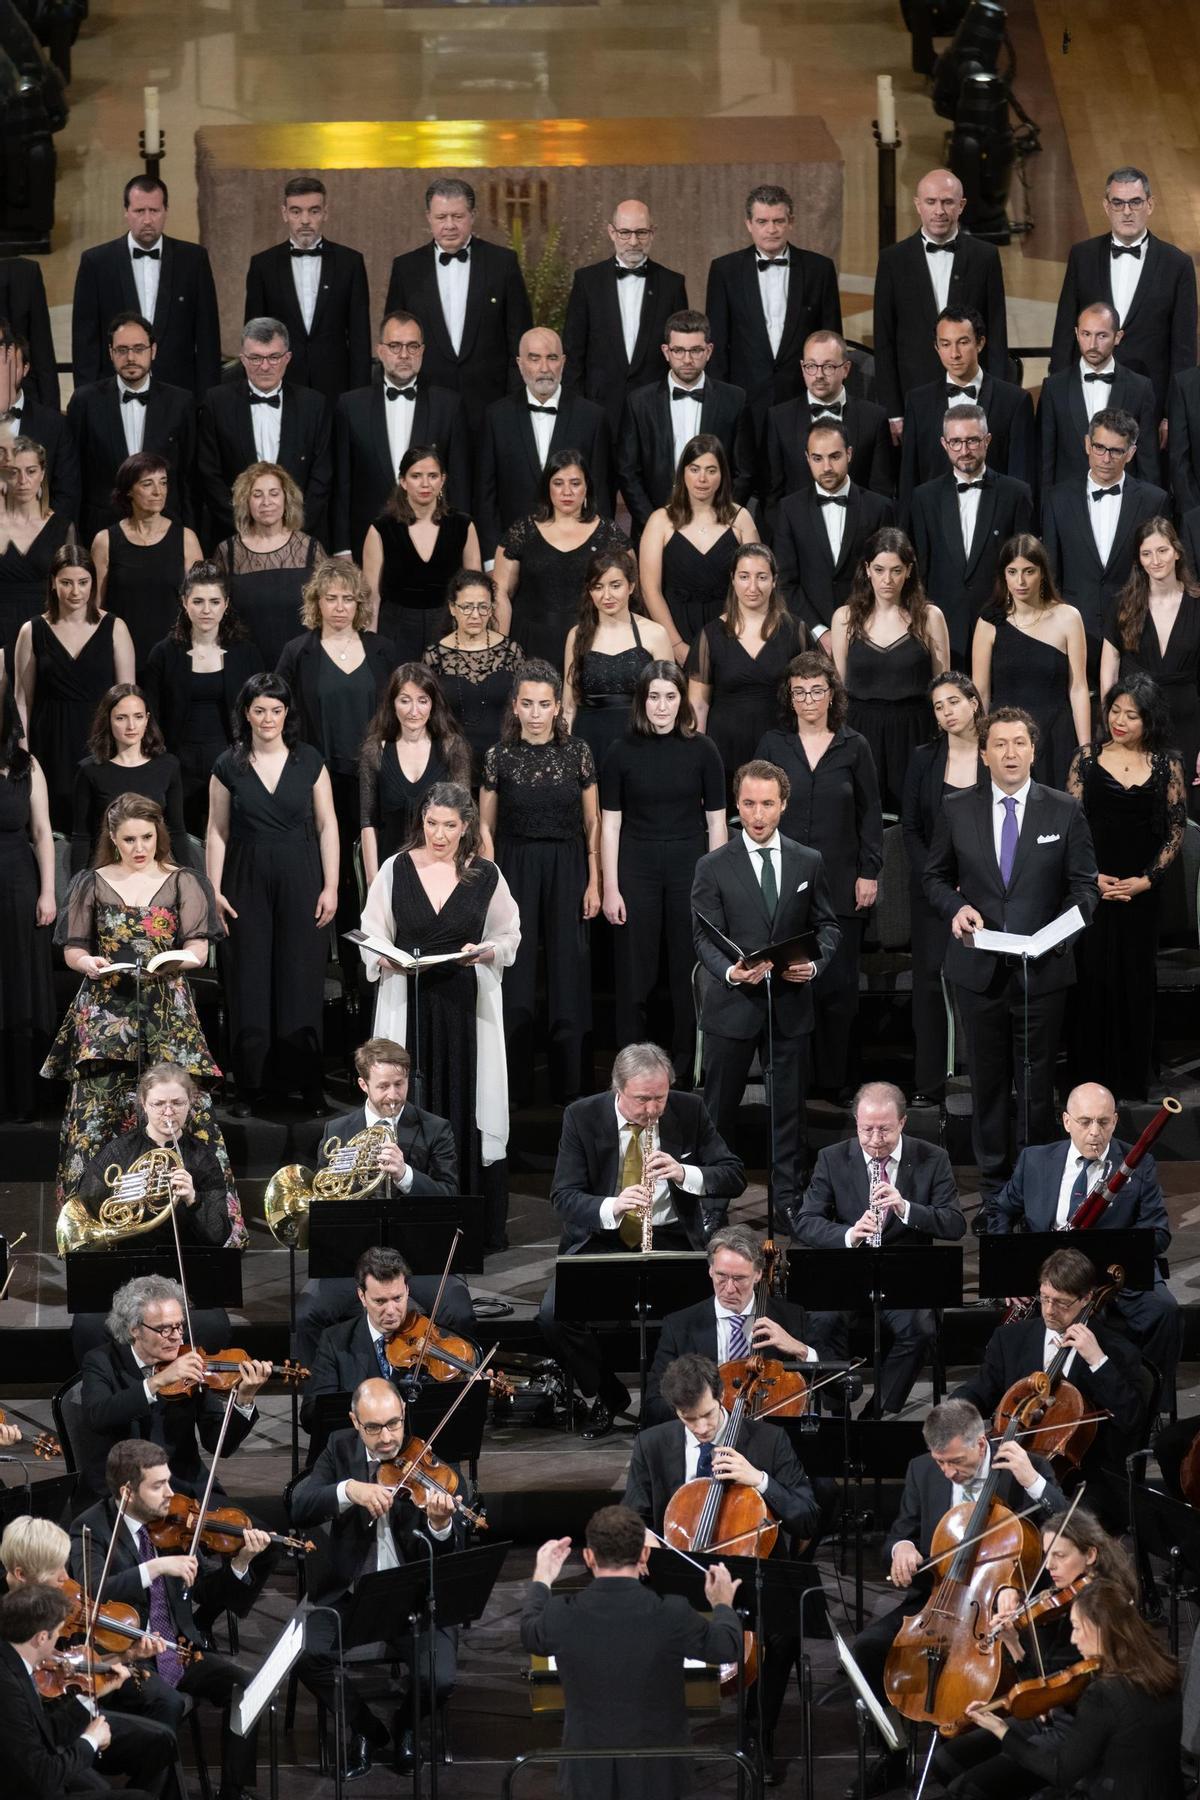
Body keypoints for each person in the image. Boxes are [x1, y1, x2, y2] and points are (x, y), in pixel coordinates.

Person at [846, 1398, 1067, 1798]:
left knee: (974, 1676)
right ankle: (893, 1755)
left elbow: (1068, 1526)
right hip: (935, 1600)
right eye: (940, 1462)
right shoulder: (921, 1470)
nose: (948, 1472)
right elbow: (901, 1531)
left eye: (956, 1462)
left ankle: (973, 1762)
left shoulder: (1023, 1467)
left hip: (998, 1608)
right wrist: (901, 1548)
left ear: (981, 1443)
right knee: (866, 1648)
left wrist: (1033, 1481)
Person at [923, 707, 1099, 1202]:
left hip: (1042, 973)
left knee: (1037, 1089)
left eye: (1019, 743)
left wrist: (1057, 935)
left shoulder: (1063, 809)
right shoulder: (957, 808)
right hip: (977, 973)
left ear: (1034, 750)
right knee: (988, 1088)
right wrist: (955, 907)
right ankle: (997, 1192)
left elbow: (1084, 889)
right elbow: (933, 877)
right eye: (999, 744)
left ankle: (1037, 1192)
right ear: (983, 754)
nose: (1010, 753)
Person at [623, 1352, 822, 1775]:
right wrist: (637, 1536)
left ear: (722, 1395)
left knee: (783, 1630)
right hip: (680, 1568)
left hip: (750, 1572)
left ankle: (758, 1729)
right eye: (688, 1419)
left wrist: (760, 1480)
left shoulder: (767, 1441)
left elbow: (807, 1515)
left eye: (708, 1416)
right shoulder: (652, 1444)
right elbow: (632, 1515)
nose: (700, 1427)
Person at [539, 1042, 746, 1435]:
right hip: (604, 1237)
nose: (652, 1110)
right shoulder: (582, 1117)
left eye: (659, 1098)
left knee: (707, 1305)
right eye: (642, 1100)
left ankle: (685, 1402)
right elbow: (563, 1197)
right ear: (618, 1089)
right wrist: (613, 1206)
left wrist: (686, 1174)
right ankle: (607, 1392)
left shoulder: (688, 1109)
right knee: (553, 1315)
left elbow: (733, 1174)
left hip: (671, 1235)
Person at [43, 792, 234, 1210]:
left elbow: (199, 950)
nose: (139, 848)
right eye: (129, 840)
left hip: (166, 1005)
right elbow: (72, 948)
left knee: (176, 1099)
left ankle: (194, 1212)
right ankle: (91, 1218)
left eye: (146, 837)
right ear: (113, 838)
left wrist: (176, 959)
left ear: (158, 833)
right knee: (98, 1109)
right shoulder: (91, 881)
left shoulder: (183, 879)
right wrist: (88, 963)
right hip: (108, 1006)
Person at [70, 1438, 271, 1800]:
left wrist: (239, 1565)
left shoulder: (171, 1524)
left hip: (178, 1648)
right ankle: (156, 1790)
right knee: (169, 1702)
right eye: (158, 1485)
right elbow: (93, 1590)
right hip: (127, 1656)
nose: (170, 1493)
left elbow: (206, 1591)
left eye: (170, 1481)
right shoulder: (90, 1529)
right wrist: (155, 1567)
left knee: (246, 1686)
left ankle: (232, 1791)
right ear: (128, 1491)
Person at [359, 782, 520, 1230]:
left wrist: (484, 950)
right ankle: (407, 1215)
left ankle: (466, 1222)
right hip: (409, 1000)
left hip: (464, 1007)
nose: (440, 835)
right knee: (410, 1092)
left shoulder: (485, 874)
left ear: (466, 826)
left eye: (450, 826)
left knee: (465, 1101)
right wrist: (384, 956)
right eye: (432, 824)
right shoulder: (395, 869)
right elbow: (371, 930)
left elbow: (510, 935)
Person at [289, 1377, 463, 1777]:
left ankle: (404, 1725)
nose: (387, 1438)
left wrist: (439, 1526)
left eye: (394, 1424)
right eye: (374, 1427)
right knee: (306, 1655)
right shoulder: (338, 1448)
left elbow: (454, 1551)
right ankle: (367, 1730)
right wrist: (349, 1490)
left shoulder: (427, 1455)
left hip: (413, 1595)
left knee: (439, 1678)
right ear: (355, 1421)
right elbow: (300, 1506)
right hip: (350, 1593)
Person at [691, 758, 840, 1219]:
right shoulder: (713, 865)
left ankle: (788, 1205)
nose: (758, 815)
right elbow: (703, 937)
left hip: (789, 1006)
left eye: (768, 804)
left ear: (783, 805)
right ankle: (712, 1206)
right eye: (750, 804)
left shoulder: (807, 860)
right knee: (717, 1113)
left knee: (789, 1114)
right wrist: (731, 973)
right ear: (738, 805)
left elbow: (828, 926)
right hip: (732, 1006)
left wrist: (814, 966)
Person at [519, 1503, 741, 1800]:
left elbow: (530, 1633)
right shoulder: (672, 1613)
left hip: (588, 1775)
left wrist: (542, 1579)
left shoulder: (561, 1614)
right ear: (645, 1555)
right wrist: (723, 1604)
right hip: (659, 1776)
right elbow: (727, 1645)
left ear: (588, 1557)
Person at [291, 1035, 471, 1369]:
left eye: (400, 1085)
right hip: (352, 1258)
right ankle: (324, 1398)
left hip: (421, 1257)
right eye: (383, 1086)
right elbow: (323, 1199)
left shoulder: (435, 1129)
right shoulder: (338, 1130)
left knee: (458, 1311)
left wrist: (405, 1174)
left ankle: (447, 1395)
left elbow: (450, 1198)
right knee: (307, 1314)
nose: (393, 1096)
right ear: (363, 1083)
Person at [933, 1509, 1138, 1800]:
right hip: (1048, 1715)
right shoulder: (1059, 1601)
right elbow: (1044, 1684)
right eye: (1047, 1555)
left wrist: (1019, 1651)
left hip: (1073, 1730)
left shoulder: (1098, 1612)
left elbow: (1060, 1689)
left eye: (1060, 1556)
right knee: (945, 1761)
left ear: (1090, 1555)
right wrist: (1014, 1644)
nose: (1050, 1566)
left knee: (965, 1789)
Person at [991, 1081, 1182, 1390]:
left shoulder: (1139, 1164)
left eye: (1104, 1122)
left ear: (1115, 1121)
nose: (1095, 1132)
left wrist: (1112, 1245)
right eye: (1085, 1122)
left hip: (1115, 1276)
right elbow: (999, 1211)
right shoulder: (1035, 1160)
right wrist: (1008, 1273)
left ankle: (1148, 1402)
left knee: (1165, 1312)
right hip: (1054, 1276)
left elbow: (1159, 1234)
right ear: (1067, 1122)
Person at [206, 670, 339, 1113]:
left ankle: (306, 1083)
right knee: (248, 980)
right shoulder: (228, 764)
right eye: (259, 710)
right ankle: (251, 1085)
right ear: (246, 713)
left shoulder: (310, 761)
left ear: (287, 713)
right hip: (245, 875)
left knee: (300, 978)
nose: (268, 718)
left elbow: (327, 825)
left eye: (276, 710)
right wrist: (213, 891)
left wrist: (332, 885)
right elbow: (217, 831)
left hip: (302, 874)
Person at [756, 652, 882, 1101]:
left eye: (817, 690)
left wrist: (870, 873)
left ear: (832, 694)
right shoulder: (773, 745)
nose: (808, 700)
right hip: (785, 885)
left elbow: (870, 816)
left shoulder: (854, 746)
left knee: (839, 988)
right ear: (789, 698)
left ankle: (838, 1082)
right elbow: (756, 807)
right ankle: (793, 1082)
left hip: (842, 884)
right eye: (799, 692)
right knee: (790, 983)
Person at [796, 1082, 966, 1414]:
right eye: (866, 1129)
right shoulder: (832, 1159)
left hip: (904, 1275)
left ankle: (877, 1412)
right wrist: (848, 1235)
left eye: (884, 1130)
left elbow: (955, 1223)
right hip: (850, 1270)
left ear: (902, 1122)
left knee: (921, 1330)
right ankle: (838, 1411)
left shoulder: (932, 1158)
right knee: (822, 1322)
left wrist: (906, 1209)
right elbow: (805, 1221)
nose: (875, 1139)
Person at [600, 660, 726, 1079]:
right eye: (654, 696)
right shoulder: (619, 752)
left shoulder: (703, 750)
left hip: (690, 867)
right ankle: (630, 1072)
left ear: (682, 701)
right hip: (636, 866)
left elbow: (716, 824)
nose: (661, 706)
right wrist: (611, 888)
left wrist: (717, 886)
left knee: (685, 973)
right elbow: (610, 824)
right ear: (642, 700)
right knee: (635, 974)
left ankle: (688, 1069)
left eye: (670, 696)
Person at [480, 661, 598, 1106]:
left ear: (556, 707)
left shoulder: (578, 753)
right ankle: (513, 1086)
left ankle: (572, 1084)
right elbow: (486, 829)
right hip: (514, 865)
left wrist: (595, 882)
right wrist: (492, 888)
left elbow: (593, 820)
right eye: (527, 704)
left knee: (570, 970)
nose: (534, 713)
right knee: (515, 974)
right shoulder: (498, 756)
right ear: (515, 705)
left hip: (568, 863)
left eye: (543, 704)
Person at [1066, 676, 1186, 1104]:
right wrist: (1091, 878)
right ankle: (1086, 1077)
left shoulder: (1166, 764)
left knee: (1137, 977)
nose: (1119, 720)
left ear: (1148, 719)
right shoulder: (1086, 759)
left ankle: (1134, 1076)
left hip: (1142, 891)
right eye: (1115, 711)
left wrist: (1147, 880)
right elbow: (1069, 827)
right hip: (1092, 887)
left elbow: (1175, 830)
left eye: (1131, 715)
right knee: (1091, 976)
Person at [0, 1518, 177, 1800]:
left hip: (66, 1713)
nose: (65, 1578)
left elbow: (70, 1663)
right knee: (100, 1789)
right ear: (21, 1575)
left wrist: (127, 1655)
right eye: (54, 1569)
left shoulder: (60, 1602)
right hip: (35, 1743)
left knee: (161, 1739)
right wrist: (88, 1741)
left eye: (64, 1565)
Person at [275, 557, 396, 952]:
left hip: (372, 779)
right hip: (319, 781)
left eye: (348, 598)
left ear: (360, 604)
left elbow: (400, 711)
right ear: (317, 601)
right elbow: (280, 713)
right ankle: (332, 966)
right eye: (331, 598)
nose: (340, 606)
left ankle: (372, 960)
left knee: (372, 872)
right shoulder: (298, 652)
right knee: (330, 873)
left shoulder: (382, 651)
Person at [968, 1579, 1182, 1800]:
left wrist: (1002, 1731)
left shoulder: (1103, 1693)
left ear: (1102, 1629)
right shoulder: (1162, 1668)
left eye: (1078, 1628)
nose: (1074, 1638)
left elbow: (1061, 1771)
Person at [954, 1246, 1145, 1486]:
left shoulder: (1116, 1350)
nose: (1049, 1311)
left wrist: (1098, 1361)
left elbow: (1132, 1419)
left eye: (1061, 1303)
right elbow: (979, 1390)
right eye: (1045, 1298)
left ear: (1086, 1298)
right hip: (1010, 1463)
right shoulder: (1010, 1339)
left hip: (1079, 1477)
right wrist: (954, 1413)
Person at [76, 1281, 271, 1504]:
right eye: (165, 1329)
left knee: (255, 1536)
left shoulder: (191, 1364)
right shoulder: (101, 1362)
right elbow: (97, 1415)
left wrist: (244, 1399)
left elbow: (220, 1445)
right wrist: (157, 1382)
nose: (177, 1337)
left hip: (183, 1485)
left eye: (180, 1326)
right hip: (125, 1491)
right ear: (135, 1329)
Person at [642, 1223, 841, 1426]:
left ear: (758, 1275)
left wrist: (800, 1350)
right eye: (721, 1276)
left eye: (739, 1279)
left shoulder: (789, 1317)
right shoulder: (680, 1325)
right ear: (710, 1270)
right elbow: (653, 1405)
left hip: (771, 1440)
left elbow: (845, 1388)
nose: (729, 1288)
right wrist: (702, 1412)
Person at [1049, 164, 1197, 424]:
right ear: (1106, 206)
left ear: (1150, 205)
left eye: (1135, 202)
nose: (1127, 212)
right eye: (1118, 203)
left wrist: (1173, 416)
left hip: (1151, 403)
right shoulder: (1082, 256)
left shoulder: (1178, 264)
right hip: (1087, 394)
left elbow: (1183, 349)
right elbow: (1064, 333)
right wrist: (1058, 398)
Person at [383, 176, 532, 430]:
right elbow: (393, 340)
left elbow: (519, 338)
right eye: (441, 217)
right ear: (428, 217)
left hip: (491, 404)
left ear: (473, 215)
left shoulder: (502, 263)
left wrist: (513, 399)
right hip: (427, 402)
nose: (449, 225)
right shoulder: (407, 268)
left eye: (458, 216)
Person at [900, 672, 986, 1104]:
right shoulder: (923, 758)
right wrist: (936, 880)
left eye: (953, 702)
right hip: (933, 892)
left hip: (987, 891)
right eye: (938, 706)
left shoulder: (996, 754)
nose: (946, 712)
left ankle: (986, 1078)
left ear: (973, 701)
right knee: (930, 987)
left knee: (985, 985)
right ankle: (930, 1084)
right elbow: (911, 828)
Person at [871, 167, 1009, 433]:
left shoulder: (985, 257)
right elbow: (884, 340)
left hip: (974, 394)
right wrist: (893, 411)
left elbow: (997, 332)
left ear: (962, 205)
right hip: (914, 396)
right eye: (931, 202)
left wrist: (998, 400)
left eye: (947, 202)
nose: (939, 211)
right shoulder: (892, 260)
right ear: (918, 205)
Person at [1041, 407, 1169, 682]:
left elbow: (1159, 571)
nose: (1106, 458)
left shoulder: (1153, 500)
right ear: (1087, 444)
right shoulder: (1057, 498)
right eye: (1099, 447)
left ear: (1131, 453)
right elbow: (1051, 570)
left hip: (1135, 629)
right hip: (1074, 629)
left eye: (1116, 451)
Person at [331, 307, 469, 561]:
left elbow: (459, 484)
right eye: (395, 346)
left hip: (434, 544)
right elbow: (342, 484)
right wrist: (342, 548)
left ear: (422, 351)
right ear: (380, 350)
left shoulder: (449, 406)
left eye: (412, 346)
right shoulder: (350, 406)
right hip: (367, 544)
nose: (404, 354)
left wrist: (459, 542)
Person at [13, 544, 136, 830]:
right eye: (66, 583)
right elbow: (22, 700)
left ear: (93, 583)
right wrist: (25, 754)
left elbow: (129, 700)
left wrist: (126, 752)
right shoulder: (32, 631)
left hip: (101, 744)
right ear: (53, 584)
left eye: (83, 582)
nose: (75, 592)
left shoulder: (115, 627)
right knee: (52, 828)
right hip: (49, 744)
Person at [300, 1243, 477, 1439]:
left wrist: (474, 1392)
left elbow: (462, 1424)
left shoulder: (435, 1339)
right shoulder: (335, 1341)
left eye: (397, 1298)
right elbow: (311, 1417)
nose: (391, 1310)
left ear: (407, 1290)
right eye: (380, 1301)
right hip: (361, 1459)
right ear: (362, 1296)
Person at [830, 525, 949, 812]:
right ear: (867, 569)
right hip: (861, 731)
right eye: (880, 569)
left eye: (896, 570)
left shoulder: (929, 617)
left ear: (909, 571)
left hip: (915, 730)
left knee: (916, 817)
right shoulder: (845, 618)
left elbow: (944, 687)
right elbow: (840, 689)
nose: (887, 579)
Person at [141, 561, 265, 833]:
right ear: (185, 603)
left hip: (231, 764)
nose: (206, 610)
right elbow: (151, 716)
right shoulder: (163, 654)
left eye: (214, 601)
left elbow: (259, 712)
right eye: (198, 601)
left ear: (226, 604)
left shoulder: (247, 653)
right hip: (177, 765)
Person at [908, 402, 1035, 669]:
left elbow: (1026, 566)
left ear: (987, 441)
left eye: (972, 441)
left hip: (1002, 625)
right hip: (942, 629)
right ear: (944, 444)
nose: (964, 450)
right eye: (956, 442)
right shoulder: (924, 498)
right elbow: (921, 566)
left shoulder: (1016, 494)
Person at [0, 1580, 154, 1800]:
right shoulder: (8, 1689)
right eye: (58, 1632)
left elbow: (44, 1731)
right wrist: (90, 1740)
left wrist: (91, 1695)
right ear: (42, 1637)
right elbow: (43, 1776)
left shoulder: (12, 1662)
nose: (59, 1639)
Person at [70, 177, 221, 399]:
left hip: (179, 395)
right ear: (126, 211)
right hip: (113, 393)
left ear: (166, 211)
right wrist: (88, 399)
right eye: (139, 211)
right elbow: (85, 342)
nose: (148, 219)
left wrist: (207, 401)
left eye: (155, 210)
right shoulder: (96, 262)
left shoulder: (193, 260)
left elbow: (208, 338)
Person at [73, 1062, 245, 1257]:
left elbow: (217, 1235)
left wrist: (193, 1199)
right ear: (144, 1104)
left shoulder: (203, 1159)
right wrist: (127, 1195)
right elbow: (86, 1202)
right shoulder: (119, 1151)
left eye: (178, 1103)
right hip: (131, 1256)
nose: (169, 1112)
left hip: (187, 1259)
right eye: (159, 1104)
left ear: (190, 1102)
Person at [615, 307, 755, 542]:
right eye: (679, 350)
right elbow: (628, 472)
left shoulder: (735, 400)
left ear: (709, 351)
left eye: (696, 350)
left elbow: (745, 472)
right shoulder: (638, 402)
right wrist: (655, 523)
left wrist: (721, 519)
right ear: (666, 351)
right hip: (655, 530)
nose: (687, 359)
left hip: (719, 529)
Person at [476, 325, 613, 562]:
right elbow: (485, 496)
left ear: (563, 362)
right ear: (519, 363)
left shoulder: (592, 418)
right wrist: (491, 559)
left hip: (577, 556)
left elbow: (601, 493)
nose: (544, 368)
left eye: (551, 358)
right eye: (534, 358)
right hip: (511, 555)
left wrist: (600, 559)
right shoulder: (495, 417)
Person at [196, 316, 332, 547]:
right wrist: (244, 527)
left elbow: (322, 476)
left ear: (287, 358)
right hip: (234, 537)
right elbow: (209, 475)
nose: (265, 366)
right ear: (243, 359)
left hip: (300, 538)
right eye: (256, 358)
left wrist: (292, 530)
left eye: (273, 357)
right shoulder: (216, 402)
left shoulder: (314, 405)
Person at [705, 184, 841, 412]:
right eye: (762, 221)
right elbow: (716, 343)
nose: (771, 229)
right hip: (744, 400)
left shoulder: (820, 269)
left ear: (791, 222)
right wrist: (721, 401)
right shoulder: (724, 270)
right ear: (749, 224)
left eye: (778, 221)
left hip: (802, 397)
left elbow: (832, 338)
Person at [687, 543, 807, 804]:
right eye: (744, 577)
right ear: (732, 579)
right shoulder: (710, 635)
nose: (753, 587)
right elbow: (697, 704)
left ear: (774, 580)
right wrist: (696, 762)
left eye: (761, 577)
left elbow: (813, 696)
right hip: (725, 751)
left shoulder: (795, 630)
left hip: (783, 749)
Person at [492, 449, 630, 672]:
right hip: (529, 641)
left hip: (591, 639)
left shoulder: (608, 533)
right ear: (547, 487)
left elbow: (628, 592)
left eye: (575, 483)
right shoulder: (522, 531)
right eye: (558, 483)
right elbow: (501, 593)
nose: (567, 491)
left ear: (587, 488)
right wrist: (499, 648)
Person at [65, 312, 195, 545]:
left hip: (166, 527)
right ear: (111, 352)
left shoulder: (181, 403)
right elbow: (73, 473)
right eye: (122, 350)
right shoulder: (84, 401)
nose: (131, 357)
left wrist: (188, 530)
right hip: (101, 530)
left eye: (139, 348)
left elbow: (188, 475)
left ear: (153, 350)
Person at [971, 534, 1091, 789]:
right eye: (1012, 572)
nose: (1021, 581)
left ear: (1043, 573)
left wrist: (1085, 750)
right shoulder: (989, 622)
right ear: (1003, 575)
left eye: (1029, 571)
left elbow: (1078, 687)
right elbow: (980, 692)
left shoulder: (1068, 617)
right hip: (1005, 740)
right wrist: (979, 744)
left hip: (1056, 736)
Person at [1100, 517, 1200, 819]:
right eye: (1147, 553)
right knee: (1135, 813)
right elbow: (1109, 669)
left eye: (1162, 551)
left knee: (1184, 814)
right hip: (1134, 724)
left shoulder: (1197, 603)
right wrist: (1111, 724)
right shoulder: (1124, 604)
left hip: (1187, 725)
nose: (1155, 561)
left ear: (1177, 552)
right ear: (1138, 559)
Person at [561, 198, 689, 432]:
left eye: (641, 232)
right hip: (598, 409)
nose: (633, 242)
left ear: (653, 233)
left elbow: (681, 352)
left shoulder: (672, 284)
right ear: (611, 232)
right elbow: (573, 352)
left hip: (655, 411)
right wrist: (576, 409)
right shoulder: (587, 281)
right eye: (625, 232)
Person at [243, 174, 372, 405]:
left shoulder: (350, 262)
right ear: (284, 213)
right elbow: (254, 335)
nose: (305, 220)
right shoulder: (262, 265)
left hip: (336, 387)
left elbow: (360, 336)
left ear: (325, 212)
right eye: (296, 211)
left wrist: (360, 395)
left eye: (313, 211)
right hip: (282, 385)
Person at [898, 306, 1035, 508]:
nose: (954, 354)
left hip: (995, 518)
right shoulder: (918, 402)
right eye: (945, 344)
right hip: (935, 518)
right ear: (936, 347)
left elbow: (1021, 477)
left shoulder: (1014, 401)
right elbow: (909, 476)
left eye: (963, 343)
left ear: (980, 343)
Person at [772, 420, 896, 640]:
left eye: (834, 456)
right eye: (818, 458)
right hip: (809, 637)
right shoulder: (789, 510)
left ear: (849, 454)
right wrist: (820, 632)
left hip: (870, 633)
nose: (827, 467)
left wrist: (863, 624)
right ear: (807, 458)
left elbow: (888, 575)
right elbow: (785, 582)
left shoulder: (879, 508)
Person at [763, 329, 894, 534]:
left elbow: (881, 492)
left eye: (829, 366)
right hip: (798, 540)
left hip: (859, 539)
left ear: (846, 368)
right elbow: (773, 495)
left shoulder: (874, 418)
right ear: (802, 367)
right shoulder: (779, 418)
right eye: (811, 366)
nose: (819, 375)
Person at [637, 432, 757, 656]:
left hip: (733, 631)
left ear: (722, 475)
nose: (702, 479)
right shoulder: (660, 521)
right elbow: (650, 590)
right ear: (682, 473)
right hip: (676, 630)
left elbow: (754, 583)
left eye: (711, 470)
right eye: (694, 469)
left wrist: (735, 633)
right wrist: (675, 645)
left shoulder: (741, 519)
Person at [360, 441, 481, 660]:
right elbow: (372, 597)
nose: (425, 484)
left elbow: (475, 591)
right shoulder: (381, 529)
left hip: (449, 628)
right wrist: (371, 645)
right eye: (416, 476)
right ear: (403, 482)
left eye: (433, 476)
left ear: (442, 480)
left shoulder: (463, 525)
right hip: (395, 630)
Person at [358, 662, 474, 885]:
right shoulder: (374, 750)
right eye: (405, 700)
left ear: (433, 704)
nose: (414, 711)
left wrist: (458, 877)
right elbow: (367, 822)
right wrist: (374, 883)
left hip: (442, 873)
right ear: (392, 704)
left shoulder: (453, 748)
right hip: (390, 870)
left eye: (422, 701)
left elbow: (464, 818)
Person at [91, 452, 203, 672]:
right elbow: (95, 608)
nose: (158, 492)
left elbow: (200, 604)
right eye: (147, 484)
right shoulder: (105, 541)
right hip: (121, 654)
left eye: (163, 482)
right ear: (129, 491)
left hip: (175, 653)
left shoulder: (186, 538)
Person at [563, 545, 671, 764]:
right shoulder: (577, 635)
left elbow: (669, 702)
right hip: (589, 741)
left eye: (615, 585)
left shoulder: (655, 634)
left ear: (631, 586)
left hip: (641, 741)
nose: (606, 595)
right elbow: (568, 704)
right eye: (598, 587)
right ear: (589, 591)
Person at [0, 693, 54, 1121]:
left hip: (19, 880)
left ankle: (24, 1099)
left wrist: (48, 892)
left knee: (19, 984)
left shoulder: (26, 766)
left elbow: (41, 831)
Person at [1038, 302, 1160, 491]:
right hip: (1068, 503)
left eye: (1102, 335)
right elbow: (1045, 459)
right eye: (1086, 334)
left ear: (1118, 337)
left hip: (1124, 502)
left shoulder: (1140, 388)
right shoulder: (1054, 388)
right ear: (1077, 334)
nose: (1092, 344)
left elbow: (1148, 461)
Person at [69, 682, 189, 873]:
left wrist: (191, 878)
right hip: (108, 871)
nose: (131, 726)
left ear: (147, 719)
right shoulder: (90, 771)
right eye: (121, 718)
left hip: (155, 871)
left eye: (138, 717)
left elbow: (177, 831)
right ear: (108, 720)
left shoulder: (168, 766)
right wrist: (76, 889)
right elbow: (82, 837)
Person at [211, 460, 320, 669]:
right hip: (244, 664)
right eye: (257, 494)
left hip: (303, 664)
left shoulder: (310, 549)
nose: (266, 502)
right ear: (246, 502)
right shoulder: (228, 552)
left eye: (274, 493)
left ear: (286, 498)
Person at [423, 568, 526, 781]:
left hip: (504, 764)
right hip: (451, 766)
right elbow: (429, 717)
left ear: (492, 609)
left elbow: (522, 709)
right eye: (467, 607)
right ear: (452, 608)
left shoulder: (511, 652)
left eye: (483, 607)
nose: (475, 615)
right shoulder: (434, 656)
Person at [0, 434, 75, 682]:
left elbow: (74, 591)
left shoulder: (64, 528)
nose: (23, 481)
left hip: (46, 635)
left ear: (43, 474)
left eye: (31, 471)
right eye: (13, 472)